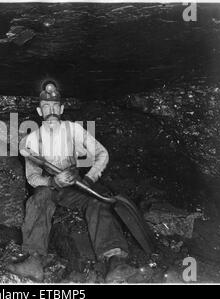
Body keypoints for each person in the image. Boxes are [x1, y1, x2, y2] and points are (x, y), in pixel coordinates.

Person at [7, 82, 136, 283]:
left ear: (62, 108)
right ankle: (34, 260)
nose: (51, 111)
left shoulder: (74, 130)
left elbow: (102, 154)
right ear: (40, 111)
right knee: (39, 198)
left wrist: (89, 178)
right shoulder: (31, 140)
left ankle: (115, 261)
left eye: (55, 106)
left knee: (98, 201)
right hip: (50, 187)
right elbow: (32, 178)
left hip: (75, 187)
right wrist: (51, 181)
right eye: (46, 107)